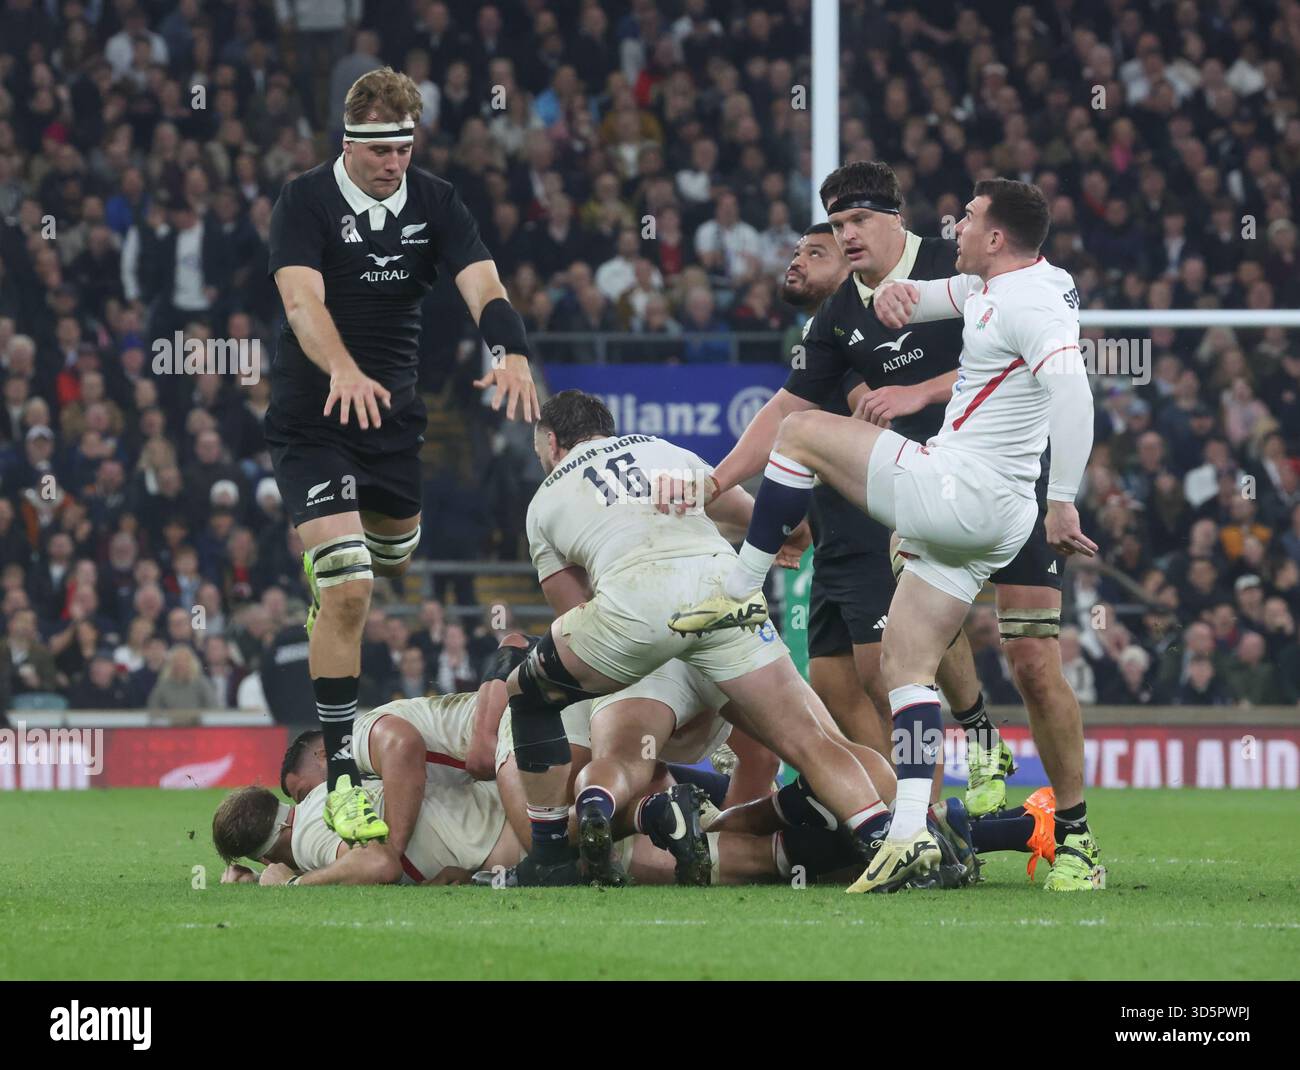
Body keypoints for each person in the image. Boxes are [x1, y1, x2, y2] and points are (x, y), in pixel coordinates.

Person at [671, 178, 1104, 892]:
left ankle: (736, 590)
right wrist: (903, 299)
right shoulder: (1010, 284)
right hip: (982, 515)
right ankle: (911, 834)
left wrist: (1064, 501)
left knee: (802, 433)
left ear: (995, 237)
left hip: (963, 491)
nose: (957, 222)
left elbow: (1074, 391)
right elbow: (944, 300)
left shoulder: (1026, 302)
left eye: (969, 216)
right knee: (904, 667)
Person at [264, 66, 539, 842]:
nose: (395, 163)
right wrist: (342, 367)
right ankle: (346, 770)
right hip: (313, 412)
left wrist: (510, 349)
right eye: (382, 150)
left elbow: (482, 282)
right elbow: (299, 299)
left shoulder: (436, 200)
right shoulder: (305, 200)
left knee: (393, 549)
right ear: (349, 143)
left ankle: (352, 565)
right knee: (349, 583)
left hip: (393, 422)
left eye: (405, 149)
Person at [500, 390, 916, 892]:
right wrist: (795, 537)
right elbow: (764, 517)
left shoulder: (545, 498)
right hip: (724, 589)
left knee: (529, 692)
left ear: (550, 441)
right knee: (812, 742)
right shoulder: (664, 450)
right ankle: (888, 844)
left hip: (636, 609)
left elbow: (572, 609)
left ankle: (557, 846)